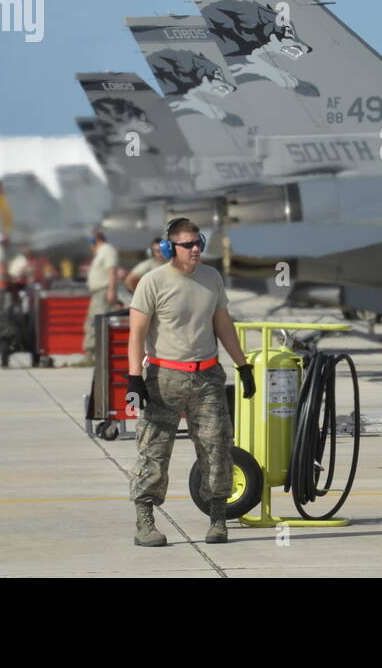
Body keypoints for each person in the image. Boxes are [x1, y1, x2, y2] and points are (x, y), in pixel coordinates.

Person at [126, 218, 256, 547]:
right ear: (171, 248)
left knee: (217, 447)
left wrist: (243, 366)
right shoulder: (152, 282)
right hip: (164, 377)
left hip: (207, 377)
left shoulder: (212, 278)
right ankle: (145, 522)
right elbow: (136, 334)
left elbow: (223, 325)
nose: (196, 249)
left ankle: (217, 518)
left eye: (199, 243)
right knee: (154, 451)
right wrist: (133, 378)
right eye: (189, 245)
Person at [83, 229, 120, 362]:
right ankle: (92, 354)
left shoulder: (107, 250)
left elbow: (112, 271)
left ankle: (92, 355)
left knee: (95, 323)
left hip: (103, 292)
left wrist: (111, 290)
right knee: (92, 322)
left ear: (95, 240)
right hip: (98, 293)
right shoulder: (101, 253)